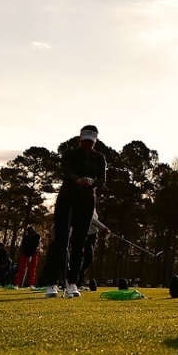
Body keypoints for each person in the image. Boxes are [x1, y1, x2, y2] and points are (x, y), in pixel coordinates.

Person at [43, 126, 106, 298]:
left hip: (86, 203)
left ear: (95, 141)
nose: (87, 144)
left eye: (91, 142)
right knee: (61, 242)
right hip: (67, 199)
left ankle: (73, 283)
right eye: (85, 141)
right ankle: (52, 283)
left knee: (79, 243)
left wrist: (91, 181)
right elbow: (66, 172)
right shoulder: (70, 154)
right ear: (80, 140)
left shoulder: (99, 157)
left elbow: (102, 179)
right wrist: (77, 180)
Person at [81, 210, 109, 289]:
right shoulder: (86, 201)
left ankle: (78, 281)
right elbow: (90, 219)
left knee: (88, 259)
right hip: (84, 234)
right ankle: (76, 281)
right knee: (87, 258)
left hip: (92, 235)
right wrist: (103, 228)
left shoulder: (94, 207)